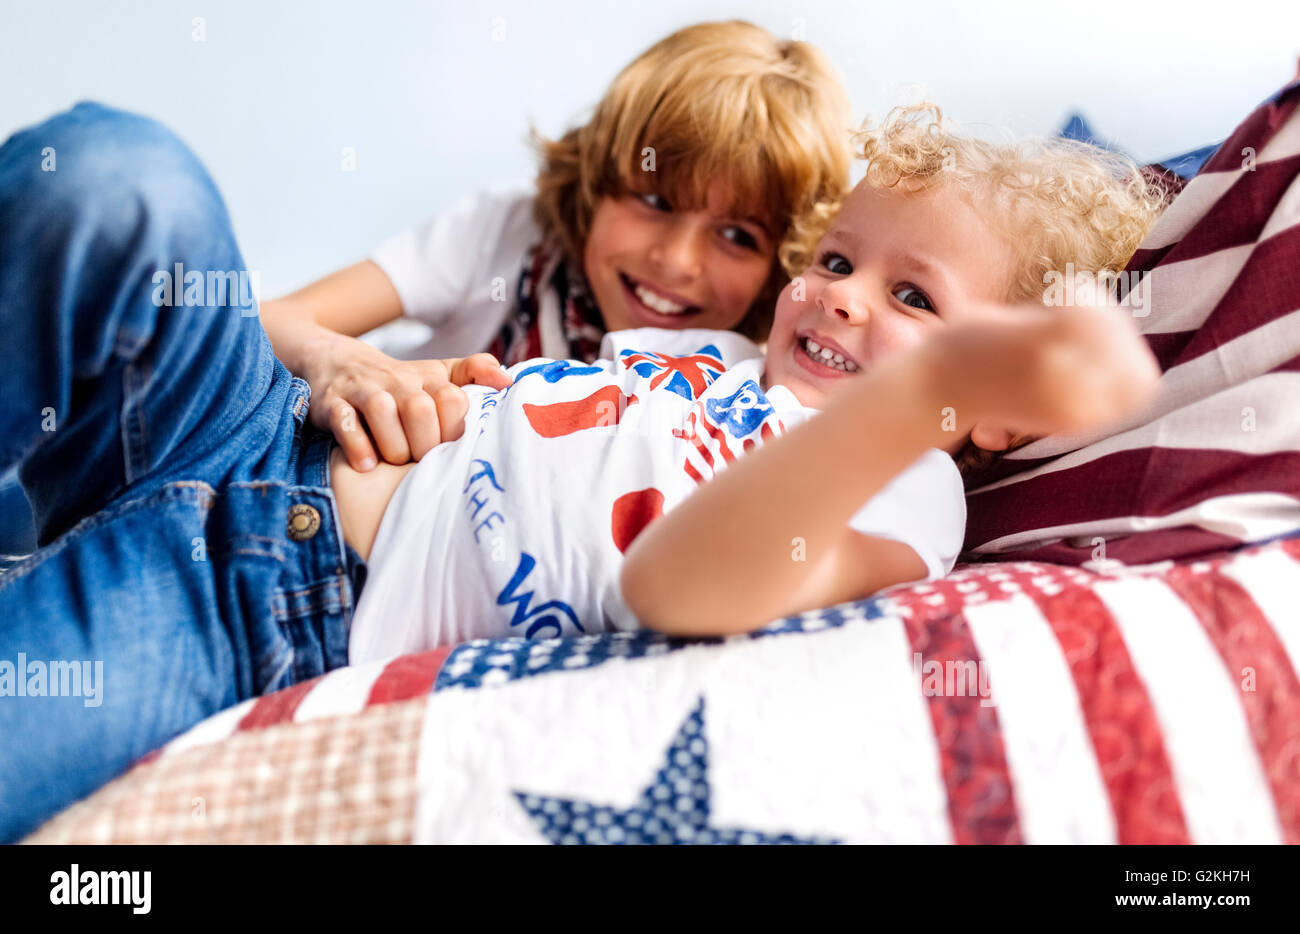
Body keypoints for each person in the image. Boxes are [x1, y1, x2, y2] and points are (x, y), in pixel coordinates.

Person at [0, 101, 1161, 842]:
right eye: (840, 259)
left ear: (999, 408)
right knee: (119, 174)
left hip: (259, 601)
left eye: (915, 299)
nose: (844, 295)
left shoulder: (909, 494)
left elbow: (683, 589)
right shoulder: (712, 352)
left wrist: (928, 383)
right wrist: (382, 373)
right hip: (253, 421)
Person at [259, 19, 852, 476]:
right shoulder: (514, 231)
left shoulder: (752, 376)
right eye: (655, 201)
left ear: (782, 266)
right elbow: (268, 319)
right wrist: (334, 361)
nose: (675, 261)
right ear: (597, 181)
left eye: (736, 236)